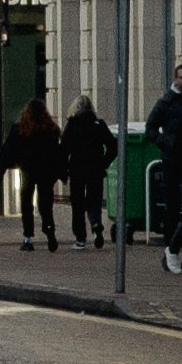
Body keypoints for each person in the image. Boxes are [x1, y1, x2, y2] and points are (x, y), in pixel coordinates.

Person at [145, 66, 182, 274]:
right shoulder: (166, 103)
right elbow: (150, 129)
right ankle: (171, 252)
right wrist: (167, 142)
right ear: (175, 79)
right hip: (172, 160)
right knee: (172, 209)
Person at [63, 81, 114, 259]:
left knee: (77, 204)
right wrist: (104, 162)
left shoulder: (72, 125)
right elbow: (113, 146)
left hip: (77, 169)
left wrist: (63, 171)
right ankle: (96, 224)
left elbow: (64, 150)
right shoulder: (99, 124)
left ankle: (80, 238)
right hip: (95, 169)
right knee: (94, 201)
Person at [8, 96, 60, 254]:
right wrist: (61, 171)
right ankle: (49, 227)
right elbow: (57, 152)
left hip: (28, 170)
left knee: (26, 204)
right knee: (45, 204)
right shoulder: (51, 129)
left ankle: (28, 237)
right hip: (46, 170)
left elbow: (10, 148)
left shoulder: (20, 128)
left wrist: (3, 166)